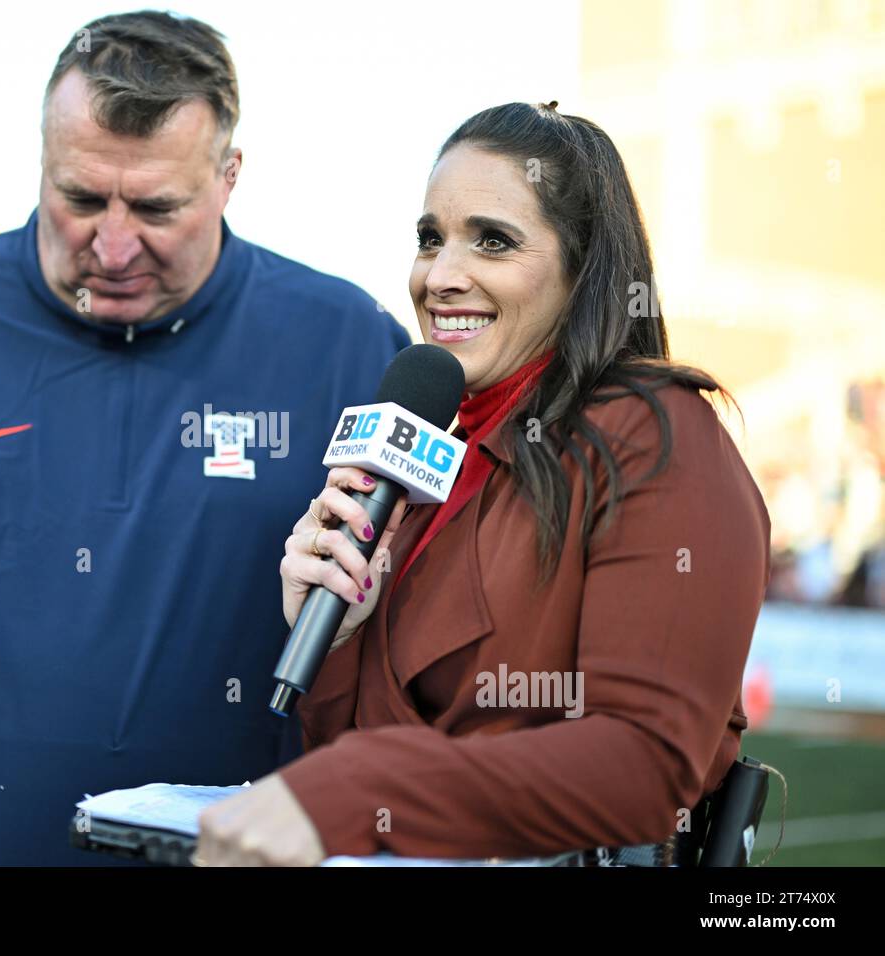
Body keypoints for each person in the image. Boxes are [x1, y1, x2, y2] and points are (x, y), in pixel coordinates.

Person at [0, 11, 409, 866]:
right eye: (83, 198)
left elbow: (416, 638)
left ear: (229, 177)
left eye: (156, 207)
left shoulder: (345, 340)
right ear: (42, 163)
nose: (115, 245)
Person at [195, 102, 771, 866]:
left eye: (492, 242)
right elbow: (371, 773)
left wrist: (361, 789)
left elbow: (648, 766)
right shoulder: (432, 463)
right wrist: (340, 638)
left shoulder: (655, 434)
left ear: (583, 269)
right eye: (430, 239)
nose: (440, 276)